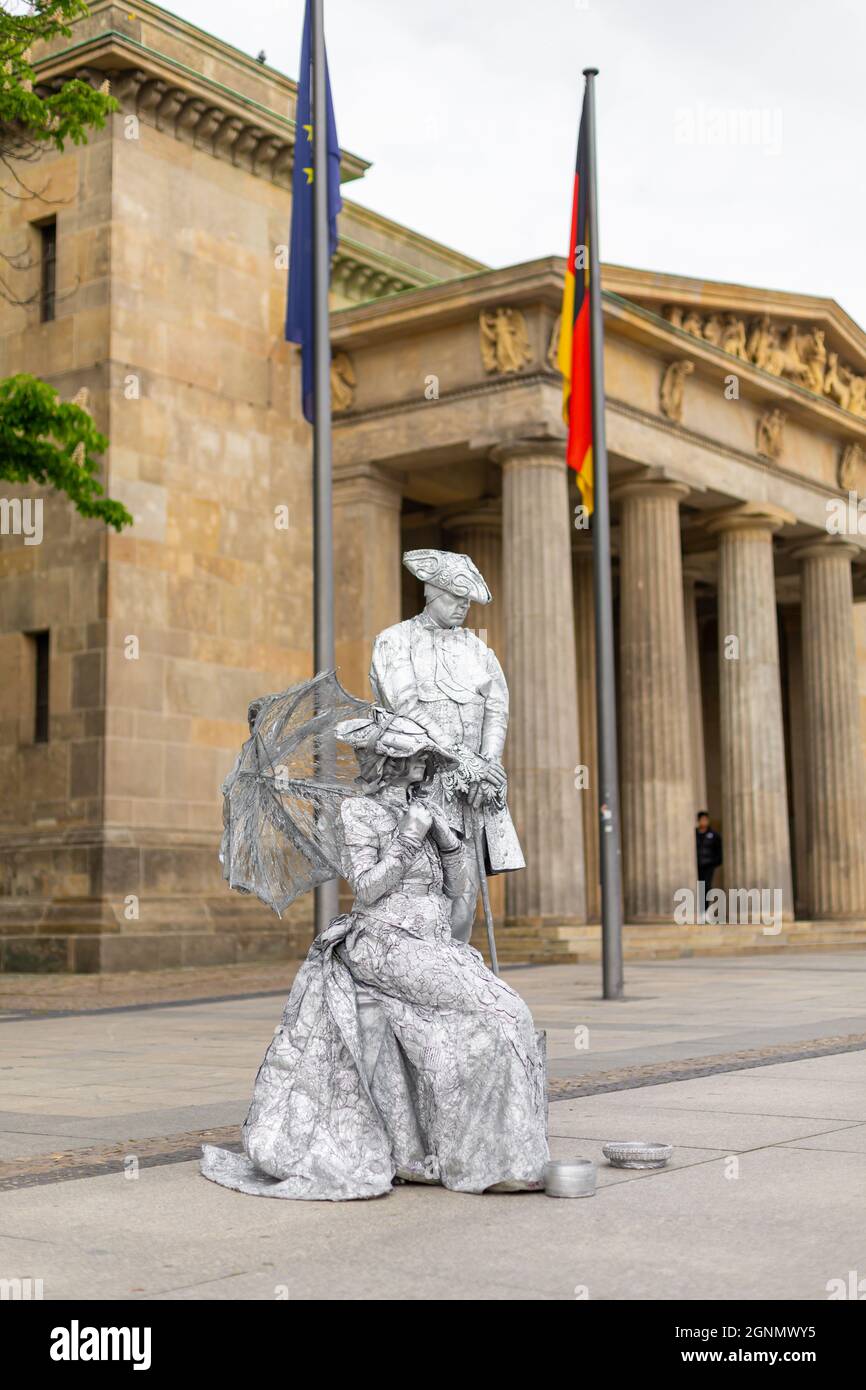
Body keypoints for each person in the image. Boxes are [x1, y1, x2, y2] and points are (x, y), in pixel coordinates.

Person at [200, 711, 548, 1201]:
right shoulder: (356, 813)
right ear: (388, 762)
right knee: (499, 1012)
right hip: (383, 941)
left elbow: (458, 891)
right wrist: (409, 834)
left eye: (426, 758)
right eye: (415, 758)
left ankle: (489, 1152)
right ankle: (486, 1159)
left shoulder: (427, 809)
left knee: (509, 1012)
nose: (425, 765)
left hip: (434, 942)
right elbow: (366, 889)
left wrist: (447, 842)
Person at [369, 547, 524, 943]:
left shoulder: (477, 649)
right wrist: (461, 757)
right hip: (419, 783)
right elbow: (404, 705)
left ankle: (453, 977)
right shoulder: (395, 640)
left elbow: (497, 706)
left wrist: (487, 765)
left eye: (467, 602)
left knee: (463, 895)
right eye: (456, 599)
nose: (462, 608)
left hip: (470, 789)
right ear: (432, 593)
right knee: (417, 887)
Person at [696, 810, 723, 898]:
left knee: (706, 886)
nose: (704, 821)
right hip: (697, 864)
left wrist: (716, 861)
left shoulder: (713, 835)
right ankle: (700, 908)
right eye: (702, 819)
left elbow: (719, 848)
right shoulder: (695, 834)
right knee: (699, 886)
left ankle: (705, 909)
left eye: (705, 819)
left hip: (708, 864)